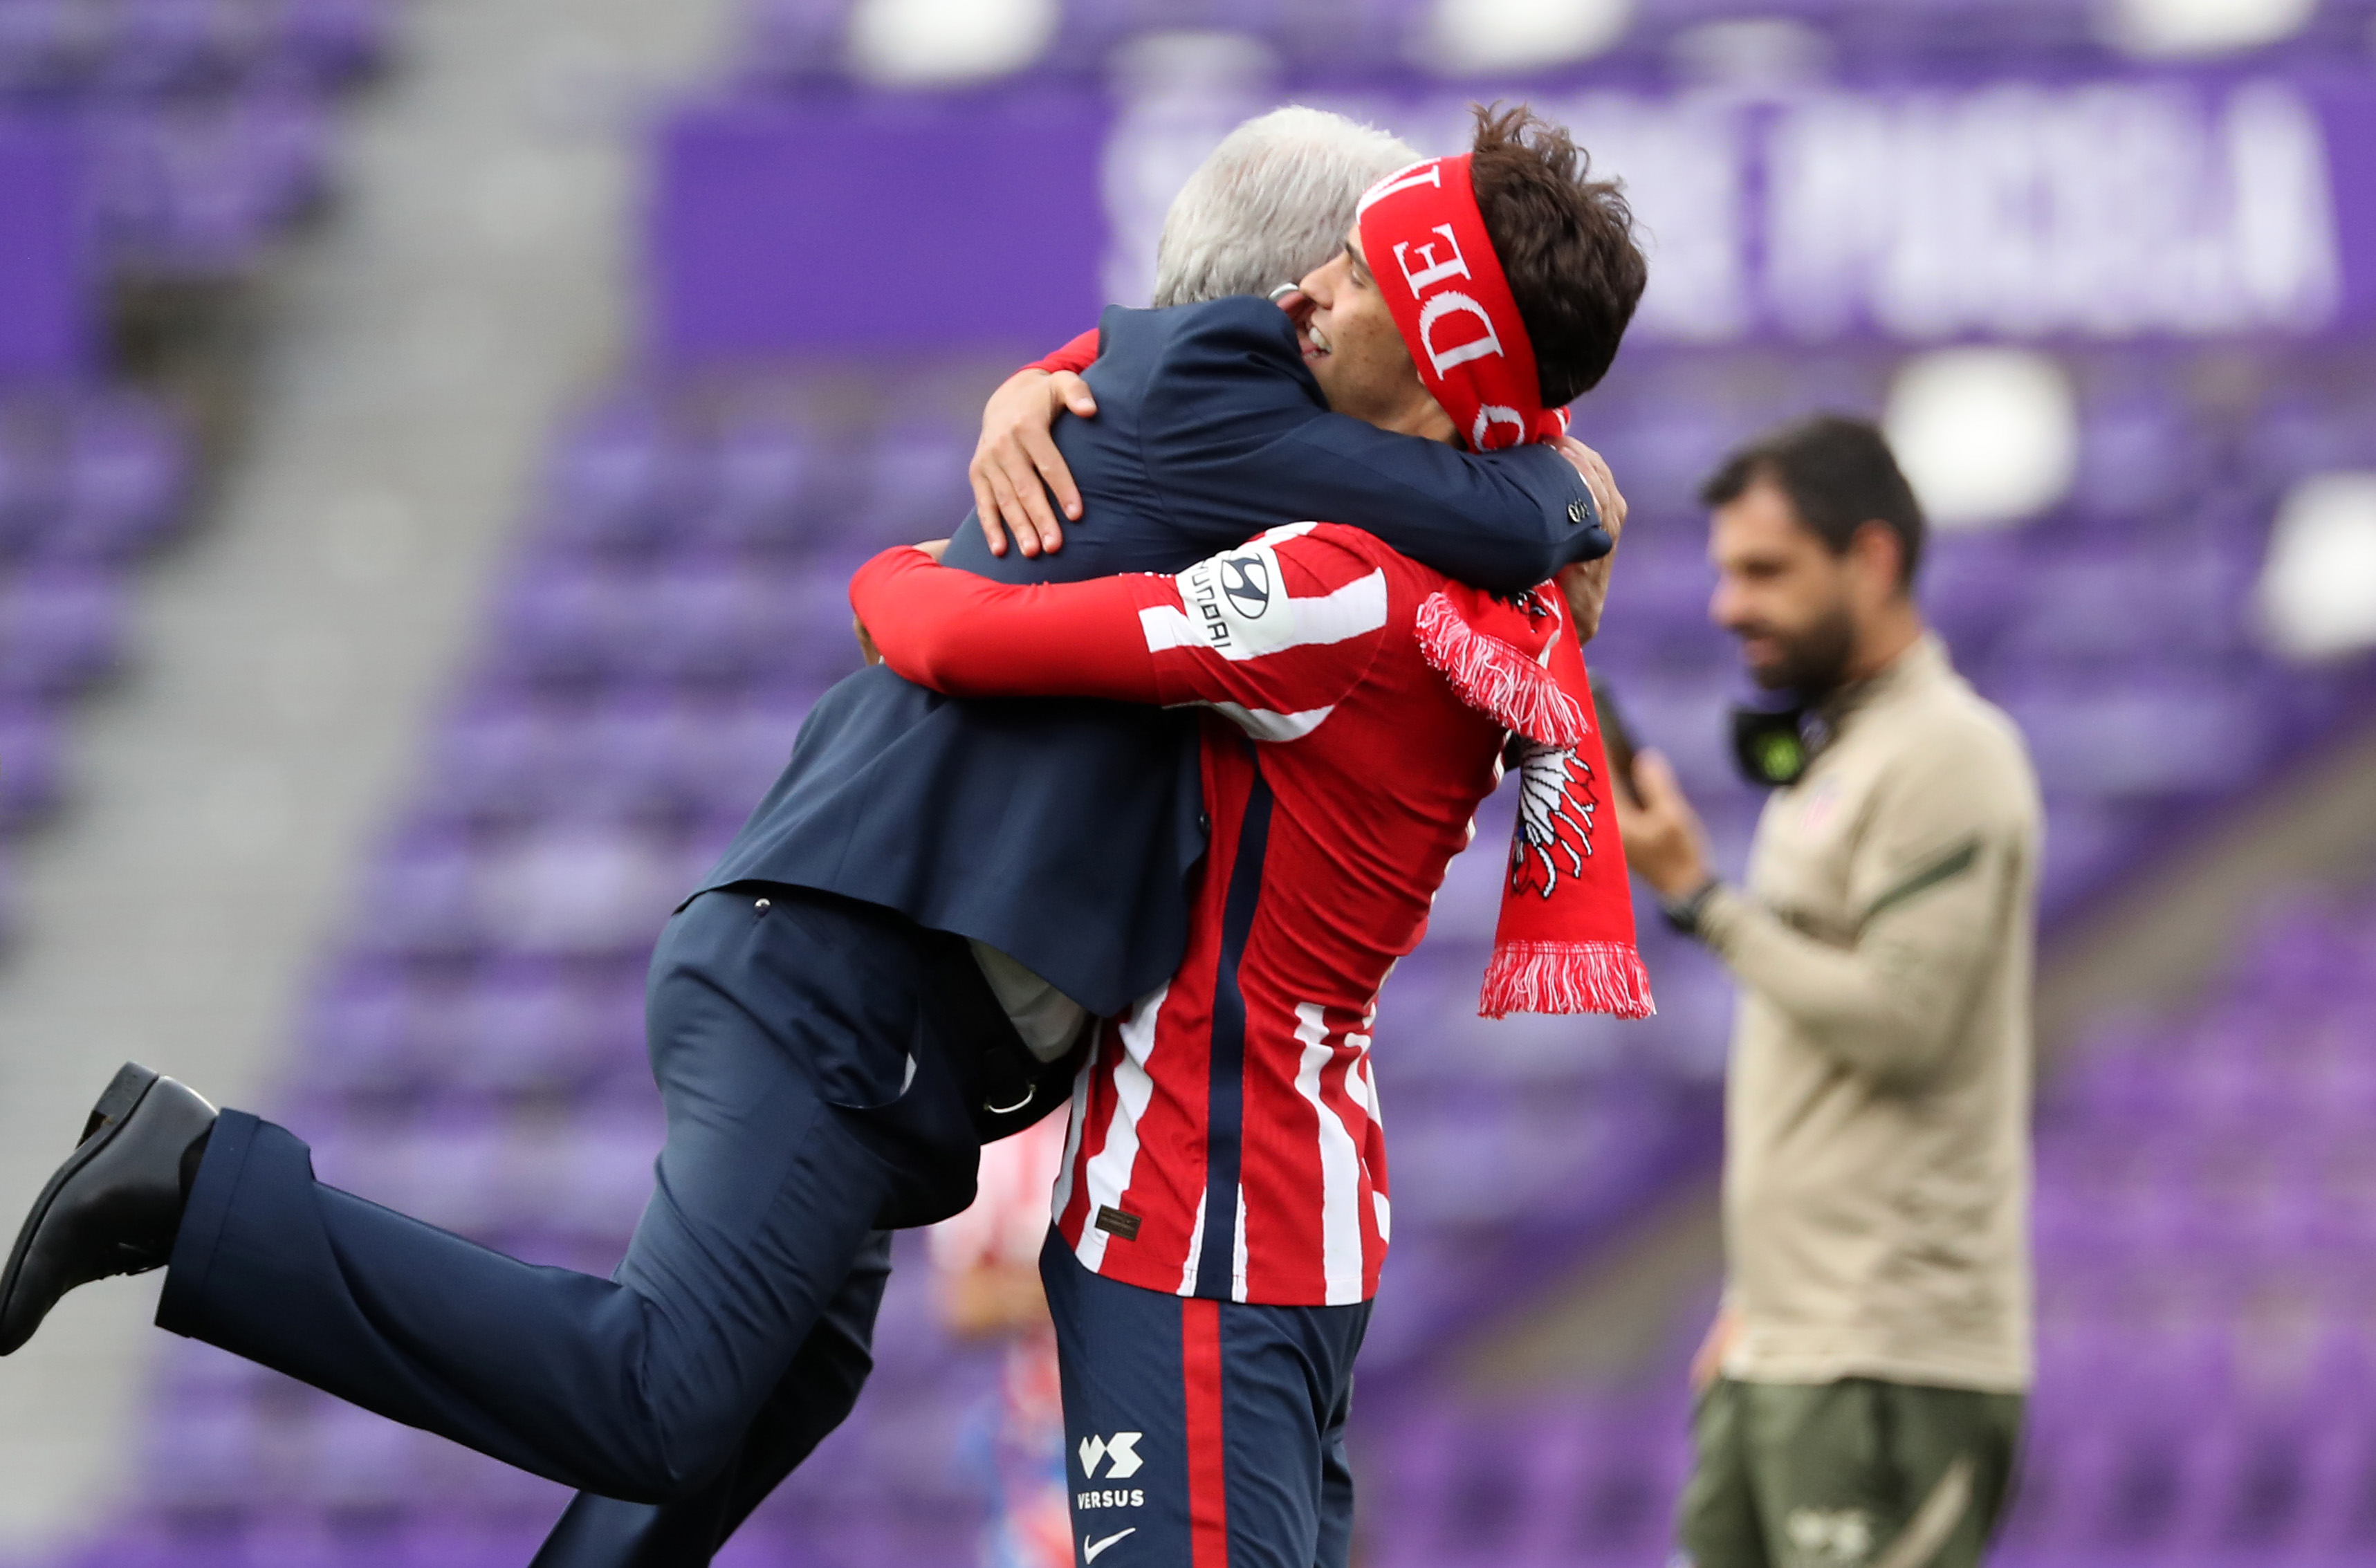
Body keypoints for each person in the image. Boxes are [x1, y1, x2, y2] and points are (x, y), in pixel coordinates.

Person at [0, 105, 1626, 1568]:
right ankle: (197, 1181)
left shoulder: (1197, 447)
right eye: (1321, 269)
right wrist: (1563, 501)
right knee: (653, 1394)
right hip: (835, 974)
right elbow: (1470, 506)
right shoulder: (1233, 440)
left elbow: (1412, 474)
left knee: (759, 1400)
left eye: (1357, 276)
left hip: (880, 1000)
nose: (1317, 297)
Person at [848, 113, 1654, 1568]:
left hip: (1195, 1216)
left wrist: (895, 563)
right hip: (1290, 1199)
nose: (1303, 294)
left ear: (1434, 351)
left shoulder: (1332, 588)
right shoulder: (1486, 579)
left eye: (1352, 275)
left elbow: (962, 633)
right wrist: (1040, 379)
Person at [1613, 416, 2043, 1568]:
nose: (1727, 604)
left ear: (1872, 559)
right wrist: (1761, 1298)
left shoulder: (1951, 754)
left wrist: (1701, 895)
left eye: (1764, 570)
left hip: (1895, 1357)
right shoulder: (1848, 754)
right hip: (1789, 1344)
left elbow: (1902, 1025)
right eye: (1722, 571)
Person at [930, 1116, 1072, 1568]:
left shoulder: (1148, 1120)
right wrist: (1058, 1292)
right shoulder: (1006, 1144)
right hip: (1039, 1442)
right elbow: (962, 1304)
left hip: (1144, 1417)